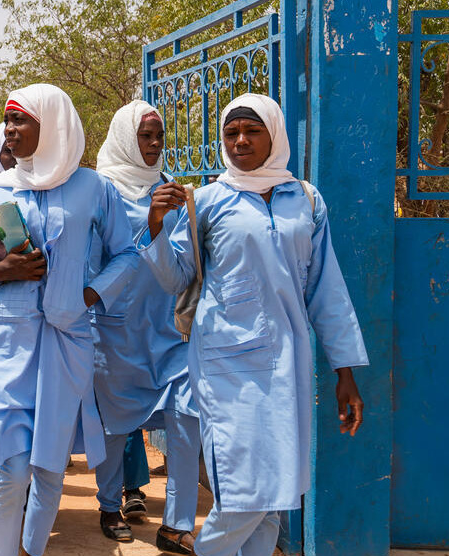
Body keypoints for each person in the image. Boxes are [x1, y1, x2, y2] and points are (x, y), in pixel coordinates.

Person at [142, 93, 369, 556]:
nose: (240, 140)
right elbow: (174, 279)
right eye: (231, 132)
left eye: (252, 130)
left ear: (274, 134)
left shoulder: (304, 199)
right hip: (225, 365)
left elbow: (326, 289)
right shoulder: (205, 201)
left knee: (274, 501)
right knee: (242, 496)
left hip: (288, 364)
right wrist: (156, 225)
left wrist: (345, 372)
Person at [0, 83, 138, 556]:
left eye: (20, 120)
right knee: (11, 470)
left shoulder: (92, 187)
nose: (10, 130)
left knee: (47, 468)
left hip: (66, 341)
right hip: (4, 343)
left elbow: (127, 254)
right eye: (8, 121)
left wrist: (89, 292)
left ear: (53, 124)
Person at [91, 101, 202, 553]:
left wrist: (163, 221)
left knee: (185, 415)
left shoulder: (171, 189)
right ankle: (108, 504)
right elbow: (96, 256)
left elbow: (184, 256)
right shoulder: (100, 191)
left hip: (167, 326)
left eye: (159, 136)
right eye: (146, 136)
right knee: (115, 427)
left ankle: (176, 522)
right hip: (115, 330)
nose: (155, 144)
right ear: (124, 138)